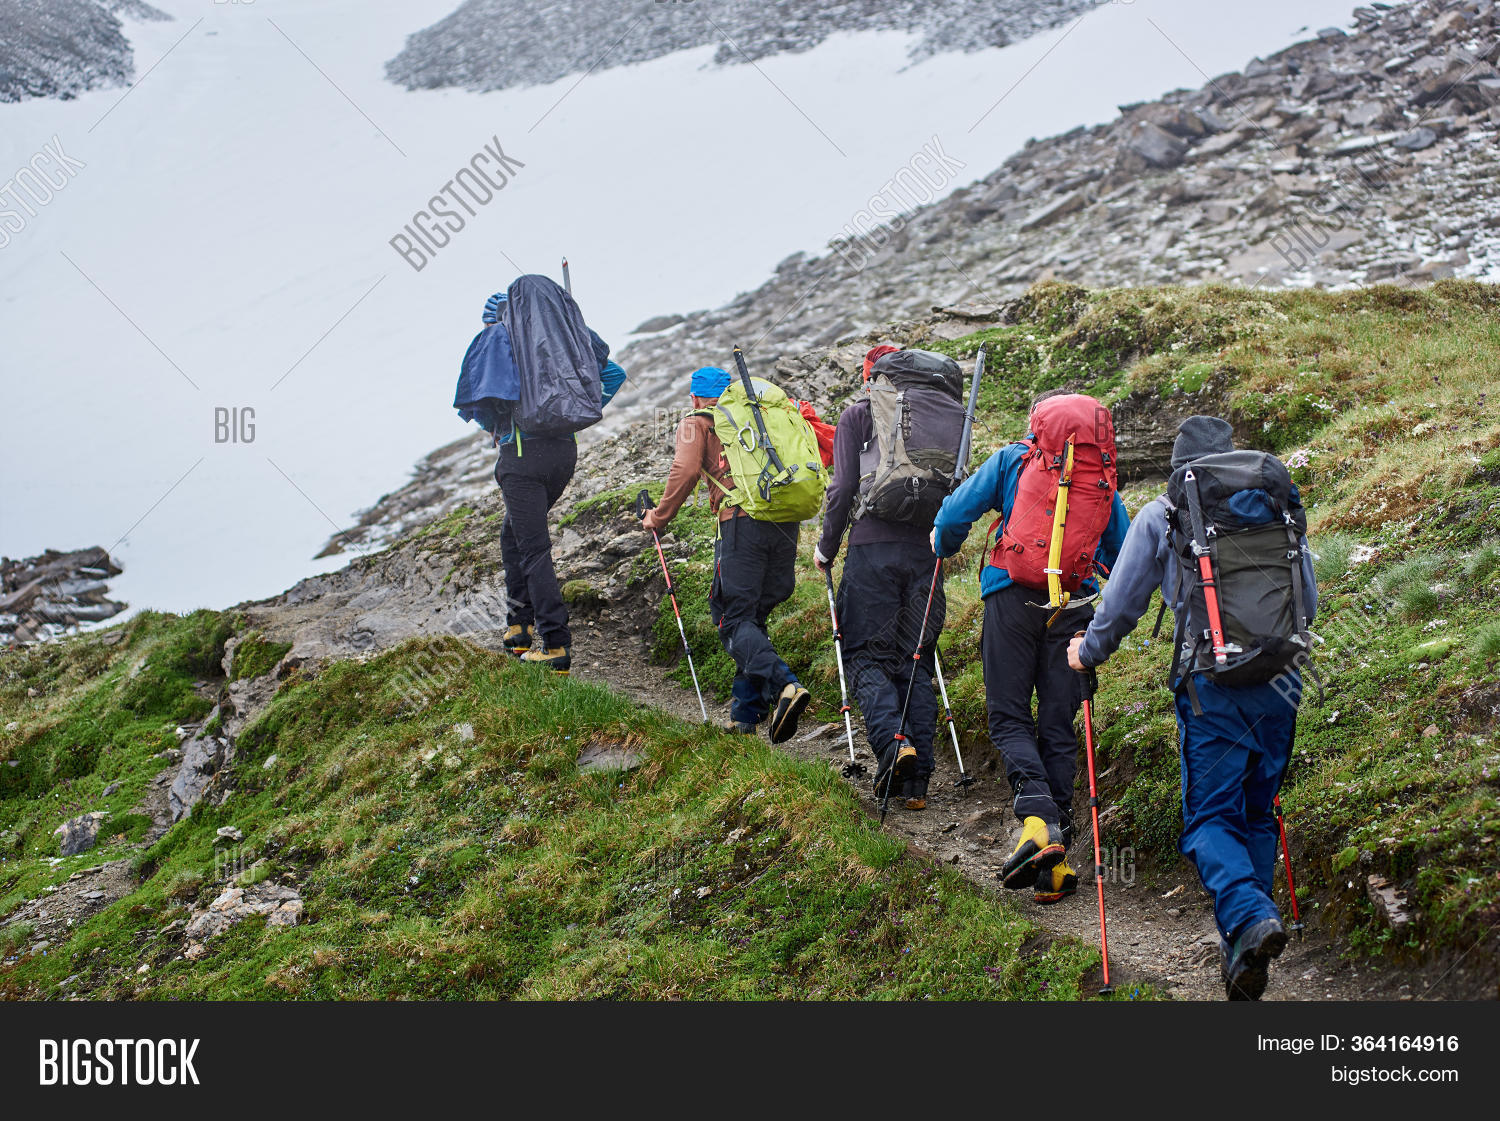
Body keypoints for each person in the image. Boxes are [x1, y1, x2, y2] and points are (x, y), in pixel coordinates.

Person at [1067, 416, 1318, 999]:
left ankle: (1250, 916)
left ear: (1179, 465)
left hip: (1213, 689)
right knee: (1257, 814)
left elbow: (1122, 602)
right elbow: (1307, 597)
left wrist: (1088, 652)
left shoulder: (1167, 513)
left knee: (1210, 819)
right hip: (1281, 682)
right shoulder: (1274, 508)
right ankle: (1244, 951)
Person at [931, 391, 1129, 905]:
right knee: (1057, 725)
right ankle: (1054, 866)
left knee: (1009, 716)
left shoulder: (1014, 460)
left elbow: (953, 516)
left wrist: (941, 545)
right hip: (1075, 608)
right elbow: (1122, 554)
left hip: (1011, 600)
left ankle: (1038, 822)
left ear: (1039, 427)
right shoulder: (1100, 479)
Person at [641, 367, 811, 742]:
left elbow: (685, 470)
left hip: (741, 523)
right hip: (785, 522)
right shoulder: (761, 415)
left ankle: (785, 685)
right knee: (750, 617)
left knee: (731, 618)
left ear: (694, 398)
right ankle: (745, 715)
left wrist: (659, 517)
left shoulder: (697, 422)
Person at [466, 290, 626, 674]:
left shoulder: (501, 343)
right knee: (512, 536)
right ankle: (519, 625)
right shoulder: (557, 346)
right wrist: (576, 411)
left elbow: (484, 401)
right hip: (563, 455)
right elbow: (614, 373)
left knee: (534, 550)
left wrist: (498, 427)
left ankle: (555, 644)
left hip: (522, 457)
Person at [814, 344, 944, 810]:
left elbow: (843, 487)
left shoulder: (858, 414)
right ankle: (917, 786)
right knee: (914, 658)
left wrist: (826, 547)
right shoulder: (937, 415)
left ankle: (893, 745)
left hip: (872, 551)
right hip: (926, 552)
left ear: (872, 378)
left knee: (865, 656)